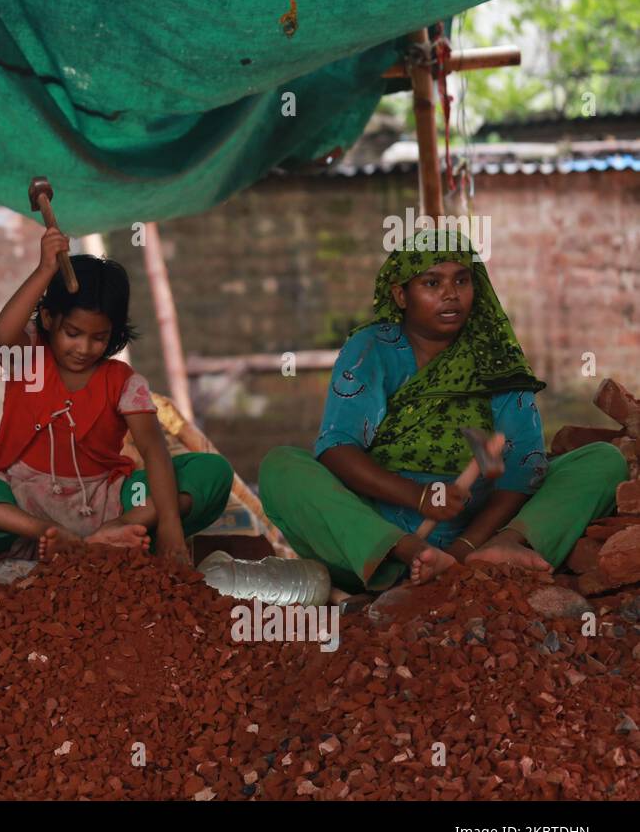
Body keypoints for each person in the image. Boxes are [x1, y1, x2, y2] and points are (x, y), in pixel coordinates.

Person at [259, 228, 627, 594]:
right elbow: (338, 447)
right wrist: (419, 498)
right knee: (282, 467)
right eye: (432, 283)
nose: (451, 294)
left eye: (462, 280)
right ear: (401, 295)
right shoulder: (371, 347)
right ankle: (404, 554)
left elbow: (522, 469)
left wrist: (464, 546)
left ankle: (504, 547)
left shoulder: (495, 355)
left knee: (602, 461)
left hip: (479, 520)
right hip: (376, 518)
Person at [0, 226, 234, 564]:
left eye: (99, 337)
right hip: (22, 505)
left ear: (115, 334)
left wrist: (169, 525)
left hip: (105, 502)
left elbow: (154, 451)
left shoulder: (124, 382)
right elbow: (3, 333)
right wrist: (45, 269)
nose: (84, 348)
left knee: (213, 472)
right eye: (73, 333)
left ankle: (110, 534)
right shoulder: (30, 357)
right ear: (49, 319)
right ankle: (46, 533)